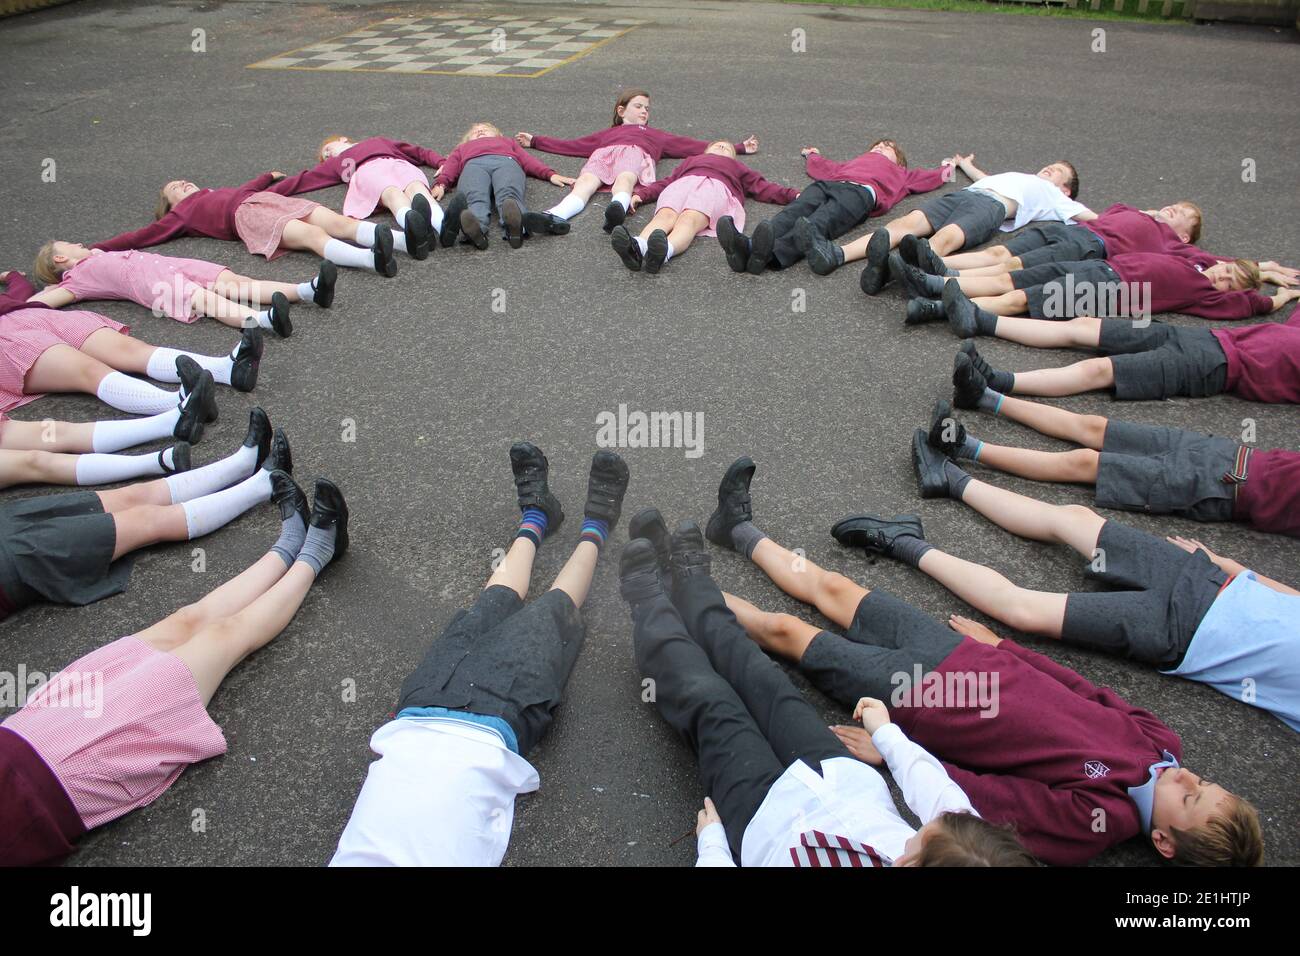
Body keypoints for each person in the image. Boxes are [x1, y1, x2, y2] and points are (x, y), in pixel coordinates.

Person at [698, 456, 1264, 865]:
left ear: (1163, 841)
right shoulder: (1164, 745)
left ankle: (685, 586)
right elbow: (1087, 692)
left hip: (922, 702)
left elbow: (989, 800)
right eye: (1204, 781)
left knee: (788, 634)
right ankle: (739, 530)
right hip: (966, 656)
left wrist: (894, 752)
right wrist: (1004, 647)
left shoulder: (1098, 821)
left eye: (1188, 796)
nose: (1186, 775)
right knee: (836, 589)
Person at [619, 511, 1035, 867]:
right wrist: (888, 736)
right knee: (760, 675)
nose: (916, 829)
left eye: (915, 838)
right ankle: (691, 589)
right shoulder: (968, 855)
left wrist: (713, 848)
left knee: (712, 705)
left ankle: (651, 609)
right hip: (842, 778)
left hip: (766, 823)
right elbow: (938, 792)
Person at [0, 472, 348, 866]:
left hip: (30, 728)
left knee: (182, 621)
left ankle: (284, 548)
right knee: (225, 637)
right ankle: (316, 553)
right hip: (63, 779)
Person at [330, 443, 629, 866]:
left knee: (491, 605)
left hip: (418, 711)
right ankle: (597, 526)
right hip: (495, 725)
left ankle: (537, 516)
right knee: (553, 612)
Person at [887, 435, 1300, 733]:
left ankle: (903, 545)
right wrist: (1230, 564)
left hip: (1182, 635)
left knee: (1025, 610)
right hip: (1208, 581)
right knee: (1074, 520)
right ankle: (950, 480)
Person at [0, 408, 289, 621]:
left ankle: (241, 464)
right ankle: (264, 485)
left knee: (131, 496)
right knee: (144, 521)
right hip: (14, 563)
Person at [922, 394, 1300, 537]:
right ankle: (987, 397)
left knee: (1084, 464)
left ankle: (964, 448)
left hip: (1223, 487)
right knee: (1096, 427)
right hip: (1231, 453)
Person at [0, 270, 257, 430]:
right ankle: (178, 406)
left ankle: (228, 369)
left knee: (130, 350)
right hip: (5, 338)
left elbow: (19, 293)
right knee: (88, 371)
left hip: (30, 314)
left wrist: (12, 276)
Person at [812, 157, 1094, 293]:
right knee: (906, 223)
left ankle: (886, 272)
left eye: (1058, 171)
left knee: (946, 238)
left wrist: (1138, 216)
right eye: (1051, 164)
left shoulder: (1058, 198)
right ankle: (837, 255)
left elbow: (1094, 218)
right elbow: (984, 176)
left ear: (1066, 189)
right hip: (965, 195)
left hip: (992, 207)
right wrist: (964, 164)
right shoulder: (1023, 176)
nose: (1050, 168)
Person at [948, 303, 1300, 405]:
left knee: (1101, 370)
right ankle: (982, 318)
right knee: (1084, 325)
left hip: (1214, 365)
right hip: (1202, 337)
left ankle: (996, 382)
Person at [517, 89, 758, 233]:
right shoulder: (607, 134)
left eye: (647, 108)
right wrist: (536, 141)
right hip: (604, 154)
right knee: (586, 181)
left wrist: (738, 148)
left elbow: (692, 146)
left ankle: (618, 208)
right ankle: (555, 216)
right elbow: (573, 145)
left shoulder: (655, 135)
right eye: (638, 106)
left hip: (635, 153)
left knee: (625, 178)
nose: (645, 111)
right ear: (621, 111)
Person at [93, 171, 399, 277]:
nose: (182, 184)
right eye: (175, 188)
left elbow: (247, 188)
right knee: (311, 234)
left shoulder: (214, 192)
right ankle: (370, 260)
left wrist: (267, 177)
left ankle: (404, 238)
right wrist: (96, 250)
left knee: (334, 220)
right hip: (247, 217)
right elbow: (142, 235)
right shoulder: (182, 214)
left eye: (183, 180)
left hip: (263, 200)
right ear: (170, 205)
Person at [725, 138, 956, 274]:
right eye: (877, 145)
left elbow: (931, 178)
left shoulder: (902, 173)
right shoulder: (853, 162)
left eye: (888, 147)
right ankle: (750, 246)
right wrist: (812, 155)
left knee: (818, 222)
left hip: (861, 193)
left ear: (899, 160)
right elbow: (824, 168)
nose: (880, 147)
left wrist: (949, 167)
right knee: (792, 212)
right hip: (830, 184)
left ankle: (769, 256)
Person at [29, 241, 336, 337]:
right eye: (72, 245)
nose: (80, 244)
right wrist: (15, 288)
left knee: (235, 283)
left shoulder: (98, 255)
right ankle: (263, 321)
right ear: (60, 257)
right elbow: (40, 302)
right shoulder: (76, 279)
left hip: (171, 263)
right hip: (152, 283)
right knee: (206, 300)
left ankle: (308, 290)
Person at [904, 255, 1289, 326]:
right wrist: (1267, 267)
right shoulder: (1199, 262)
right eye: (1225, 272)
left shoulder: (1208, 294)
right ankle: (936, 286)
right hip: (1099, 267)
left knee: (1022, 300)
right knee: (1014, 280)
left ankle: (936, 308)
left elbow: (1255, 305)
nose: (1222, 279)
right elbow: (1226, 260)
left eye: (1230, 284)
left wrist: (1285, 295)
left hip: (1111, 291)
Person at [610, 142, 797, 274]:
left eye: (728, 148)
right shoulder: (691, 160)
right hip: (682, 185)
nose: (723, 146)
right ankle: (638, 247)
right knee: (664, 216)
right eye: (718, 145)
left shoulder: (737, 167)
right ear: (706, 150)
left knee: (688, 219)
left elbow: (763, 187)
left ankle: (663, 251)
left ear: (733, 157)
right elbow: (666, 182)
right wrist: (641, 195)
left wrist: (792, 195)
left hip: (714, 187)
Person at [273, 135, 449, 259]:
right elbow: (305, 180)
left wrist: (442, 163)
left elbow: (417, 152)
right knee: (391, 192)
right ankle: (417, 230)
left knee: (417, 188)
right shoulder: (336, 163)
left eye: (327, 149)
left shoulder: (378, 141)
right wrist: (267, 193)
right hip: (366, 172)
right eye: (324, 157)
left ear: (342, 139)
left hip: (394, 163)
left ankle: (443, 229)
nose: (327, 155)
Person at [432, 123, 574, 250]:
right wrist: (441, 183)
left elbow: (527, 160)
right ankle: (476, 230)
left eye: (485, 129)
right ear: (467, 140)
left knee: (508, 194)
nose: (480, 131)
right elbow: (451, 166)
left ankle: (516, 226)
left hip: (506, 162)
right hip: (473, 165)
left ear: (498, 135)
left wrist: (549, 174)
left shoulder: (506, 142)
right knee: (474, 195)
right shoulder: (462, 148)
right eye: (475, 131)